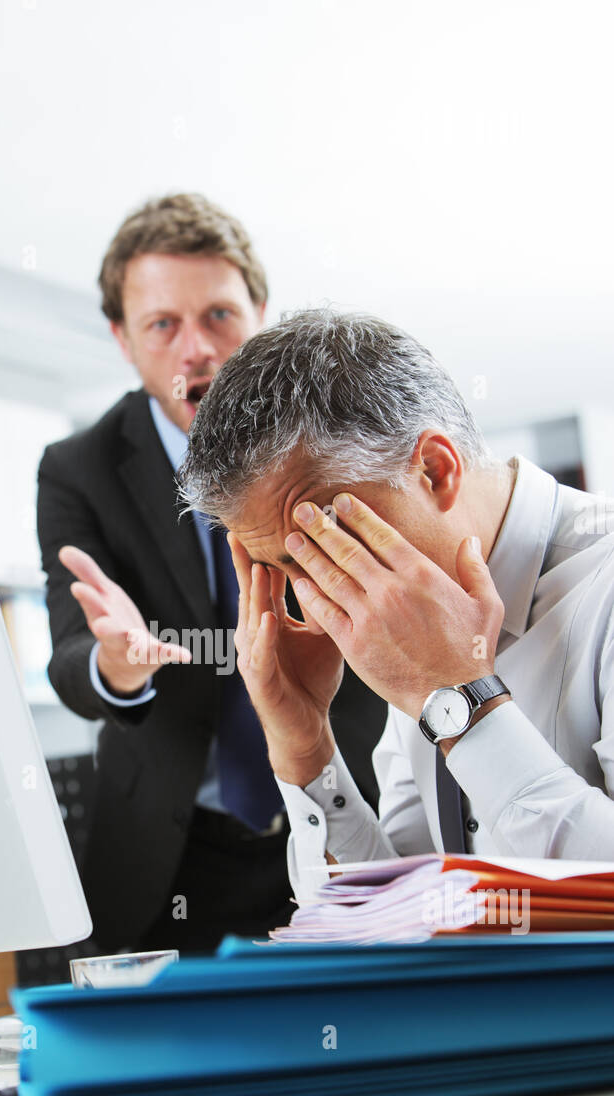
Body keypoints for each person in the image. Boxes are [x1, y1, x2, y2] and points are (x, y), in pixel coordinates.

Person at [37, 198, 387, 951]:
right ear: (123, 340)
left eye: (220, 316)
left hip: (348, 817)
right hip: (169, 855)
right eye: (162, 324)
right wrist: (115, 663)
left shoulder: (343, 438)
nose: (195, 348)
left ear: (260, 313)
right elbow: (69, 661)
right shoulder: (80, 469)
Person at [178, 307, 614, 901]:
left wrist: (460, 696)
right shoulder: (407, 620)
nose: (327, 594)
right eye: (289, 569)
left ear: (435, 470)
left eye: (333, 544)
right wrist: (304, 747)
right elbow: (398, 917)